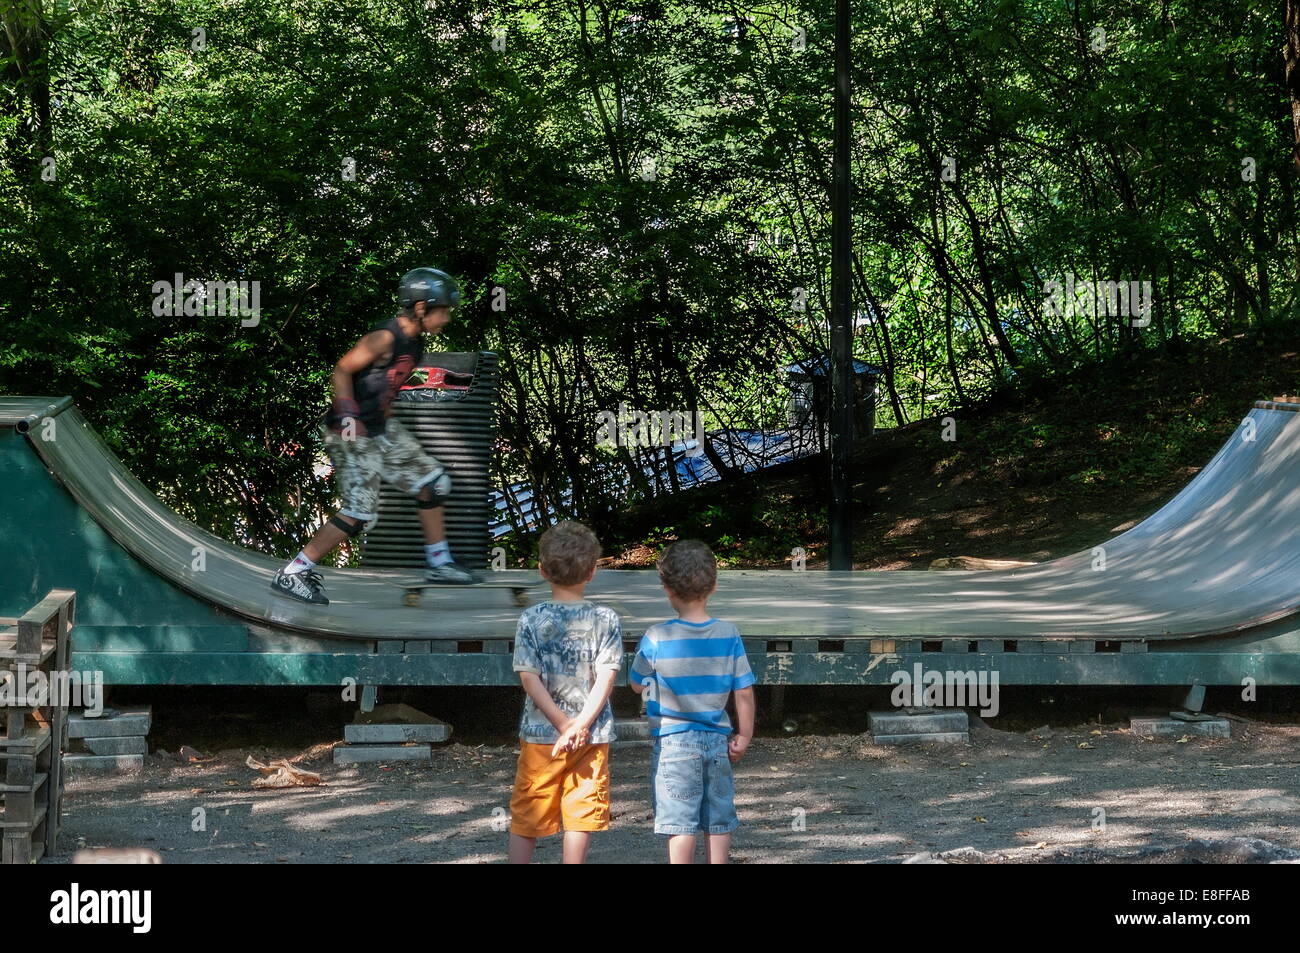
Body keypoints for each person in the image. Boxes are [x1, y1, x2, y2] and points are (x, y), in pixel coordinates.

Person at [271, 267, 478, 605]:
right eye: (444, 310)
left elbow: (384, 383)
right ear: (422, 307)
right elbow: (341, 370)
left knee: (433, 484)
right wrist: (351, 415)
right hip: (350, 431)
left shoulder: (415, 340)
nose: (448, 318)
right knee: (359, 511)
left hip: (380, 429)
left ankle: (440, 563)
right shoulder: (384, 337)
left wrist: (384, 414)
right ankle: (293, 571)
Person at [629, 539, 755, 864]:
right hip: (717, 741)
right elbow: (743, 691)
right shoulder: (729, 634)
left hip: (672, 743)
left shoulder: (656, 636)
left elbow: (634, 683)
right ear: (713, 585)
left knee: (680, 823)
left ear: (666, 588)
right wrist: (745, 735)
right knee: (718, 818)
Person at [507, 521, 622, 864]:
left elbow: (529, 677)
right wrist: (580, 725)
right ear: (592, 572)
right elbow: (607, 676)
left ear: (542, 570)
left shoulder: (531, 619)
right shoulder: (606, 619)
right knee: (581, 811)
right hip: (591, 734)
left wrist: (562, 724)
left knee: (528, 811)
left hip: (543, 733)